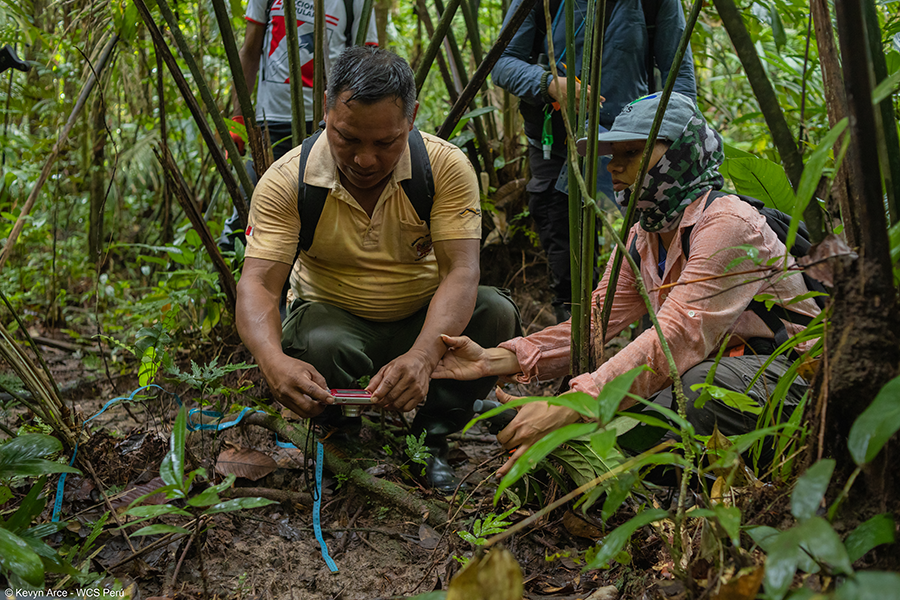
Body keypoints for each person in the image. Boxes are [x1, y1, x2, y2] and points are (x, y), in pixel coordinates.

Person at [433, 92, 818, 477]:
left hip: (797, 381)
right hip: (721, 373)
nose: (614, 168)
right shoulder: (641, 236)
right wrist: (495, 359)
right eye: (611, 156)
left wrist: (574, 406)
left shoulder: (728, 223)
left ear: (679, 156)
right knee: (641, 402)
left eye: (630, 153)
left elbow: (678, 335)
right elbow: (594, 326)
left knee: (697, 390)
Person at [236, 46, 521, 492]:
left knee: (494, 313)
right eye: (346, 138)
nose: (364, 160)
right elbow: (258, 283)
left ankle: (432, 440)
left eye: (386, 143)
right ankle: (337, 433)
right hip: (335, 323)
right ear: (325, 108)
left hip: (423, 321)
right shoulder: (287, 179)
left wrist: (424, 357)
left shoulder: (444, 167)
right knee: (317, 342)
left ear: (412, 120)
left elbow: (461, 273)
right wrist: (271, 361)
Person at [491, 0, 696, 322]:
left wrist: (673, 141)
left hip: (633, 144)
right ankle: (576, 348)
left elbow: (679, 76)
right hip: (558, 145)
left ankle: (647, 357)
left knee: (650, 254)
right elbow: (501, 62)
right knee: (565, 253)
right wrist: (548, 84)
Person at [220, 0, 379, 252]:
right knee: (248, 218)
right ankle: (231, 288)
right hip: (269, 124)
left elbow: (366, 63)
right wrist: (238, 119)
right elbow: (250, 50)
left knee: (314, 224)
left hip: (326, 128)